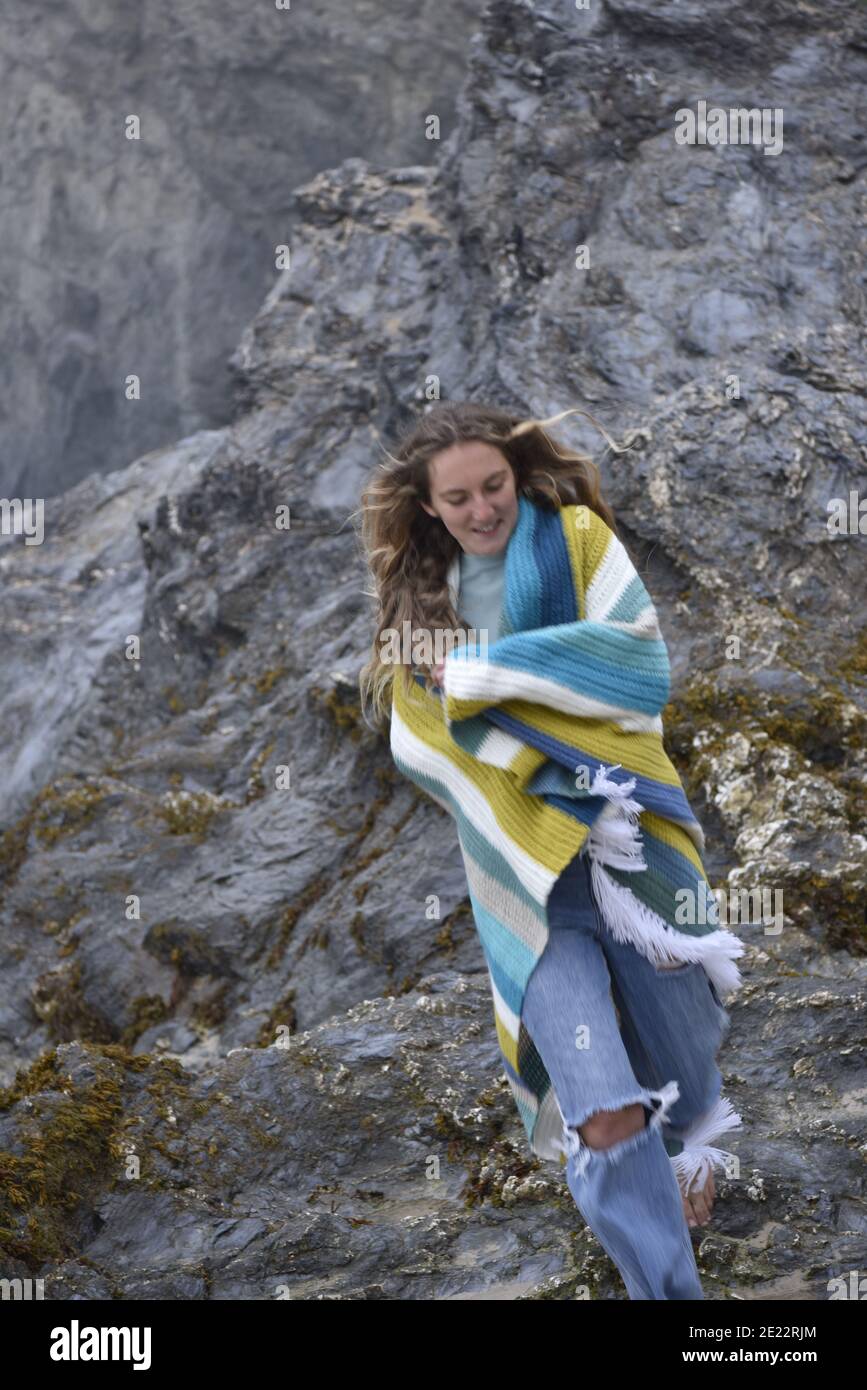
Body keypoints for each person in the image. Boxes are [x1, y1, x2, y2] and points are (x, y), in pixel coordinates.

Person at [357, 401, 743, 1300]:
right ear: (427, 507)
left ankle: (689, 1147)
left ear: (515, 474)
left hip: (633, 849)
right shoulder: (416, 613)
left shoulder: (574, 540)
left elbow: (637, 666)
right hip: (530, 890)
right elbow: (421, 746)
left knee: (683, 1054)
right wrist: (551, 734)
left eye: (493, 486)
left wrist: (486, 680)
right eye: (458, 499)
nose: (482, 509)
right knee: (603, 1110)